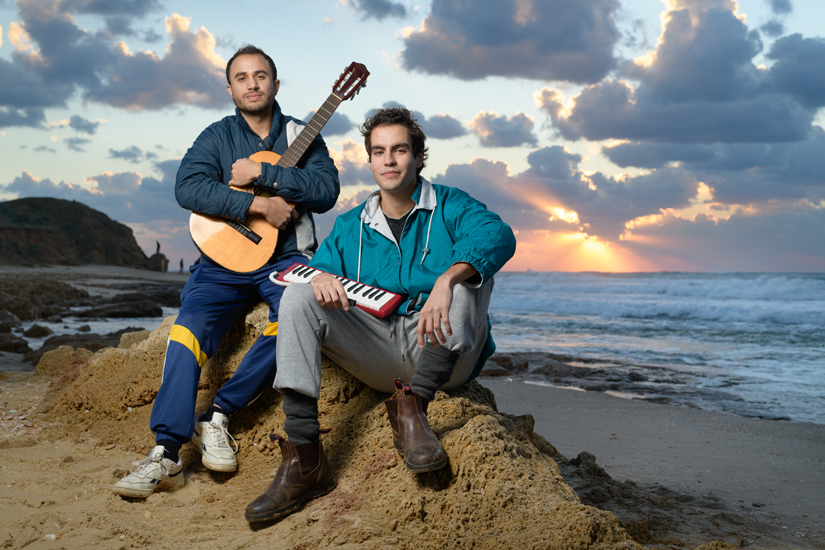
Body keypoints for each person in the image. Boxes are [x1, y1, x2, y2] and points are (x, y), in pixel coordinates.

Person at [244, 107, 516, 522]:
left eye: (400, 150)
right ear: (370, 160)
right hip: (379, 353)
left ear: (419, 157)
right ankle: (305, 460)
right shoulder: (352, 225)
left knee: (467, 278)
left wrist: (446, 279)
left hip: (445, 353)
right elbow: (317, 272)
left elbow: (499, 235)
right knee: (298, 297)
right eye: (379, 151)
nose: (389, 160)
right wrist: (316, 279)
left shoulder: (451, 204)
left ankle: (414, 410)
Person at [113, 45, 339, 498]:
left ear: (276, 84)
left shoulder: (302, 134)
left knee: (298, 317)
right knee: (188, 329)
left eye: (261, 76)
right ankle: (166, 451)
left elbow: (327, 188)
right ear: (231, 87)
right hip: (223, 261)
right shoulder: (216, 136)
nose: (252, 84)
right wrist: (256, 203)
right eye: (241, 77)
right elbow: (188, 187)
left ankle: (216, 415)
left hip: (285, 257)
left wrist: (266, 174)